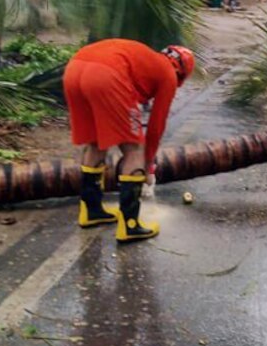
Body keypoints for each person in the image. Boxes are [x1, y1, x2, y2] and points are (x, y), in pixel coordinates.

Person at [63, 39, 195, 243]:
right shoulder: (168, 74)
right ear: (182, 74)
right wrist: (148, 165)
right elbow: (155, 127)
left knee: (95, 142)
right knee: (134, 149)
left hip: (75, 68)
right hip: (105, 75)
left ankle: (91, 211)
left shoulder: (149, 60)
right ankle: (130, 225)